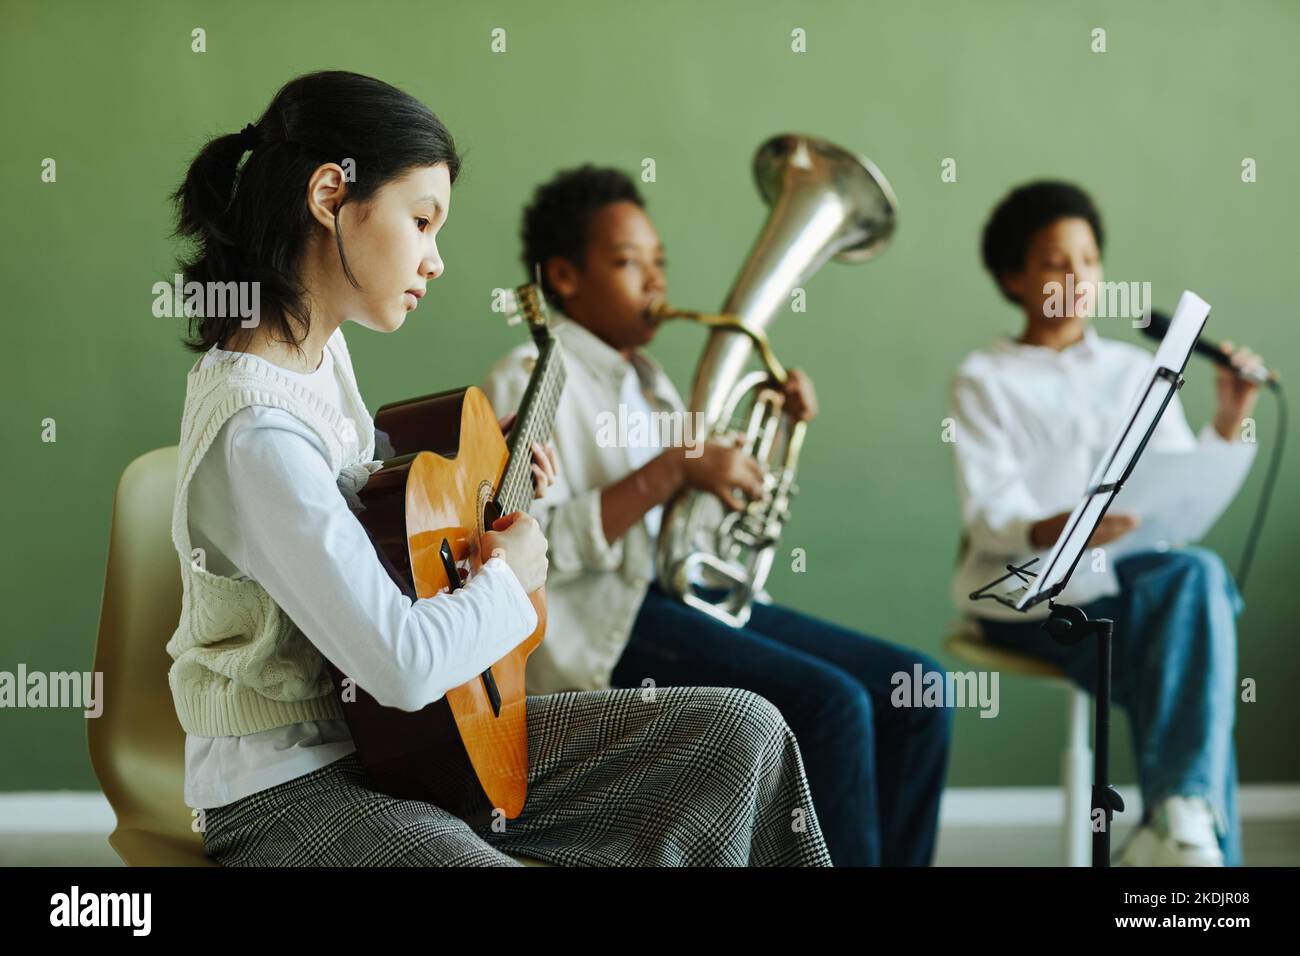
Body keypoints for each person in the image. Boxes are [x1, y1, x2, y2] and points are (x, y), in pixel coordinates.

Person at [165, 70, 830, 867]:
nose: (434, 259)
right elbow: (403, 665)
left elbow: (368, 518)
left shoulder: (318, 351)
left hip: (399, 746)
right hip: (286, 789)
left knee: (738, 735)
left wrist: (487, 470)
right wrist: (511, 576)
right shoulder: (255, 431)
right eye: (422, 220)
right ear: (329, 194)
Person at [480, 165, 952, 867]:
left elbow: (692, 523)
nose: (655, 282)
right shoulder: (529, 374)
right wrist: (672, 470)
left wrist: (769, 438)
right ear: (565, 278)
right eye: (627, 263)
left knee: (920, 692)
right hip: (607, 625)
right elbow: (526, 548)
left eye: (660, 263)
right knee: (832, 707)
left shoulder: (650, 383)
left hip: (679, 602)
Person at [949, 180, 1264, 866]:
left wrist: (1230, 418)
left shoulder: (1135, 372)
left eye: (1089, 260)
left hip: (1131, 587)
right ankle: (1187, 839)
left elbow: (1183, 487)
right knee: (1196, 642)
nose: (1078, 276)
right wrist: (1063, 527)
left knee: (1196, 580)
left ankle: (1179, 829)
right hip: (1030, 595)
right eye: (1055, 261)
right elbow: (988, 513)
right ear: (1013, 277)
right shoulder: (985, 378)